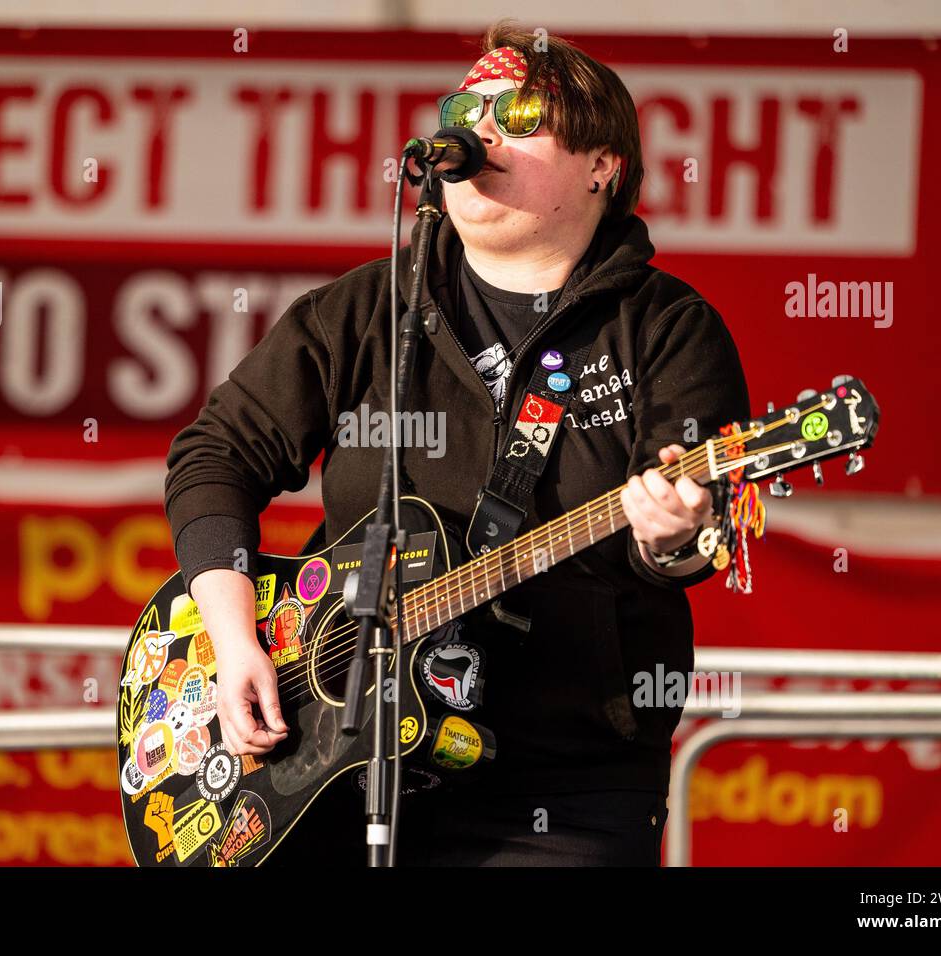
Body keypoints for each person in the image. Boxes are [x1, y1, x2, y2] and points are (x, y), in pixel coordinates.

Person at [163, 21, 750, 866]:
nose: (476, 133)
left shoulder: (666, 330)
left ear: (602, 166)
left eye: (517, 115)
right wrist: (232, 639)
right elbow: (215, 455)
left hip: (562, 780)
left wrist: (671, 535)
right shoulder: (368, 309)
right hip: (337, 754)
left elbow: (689, 541)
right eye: (463, 110)